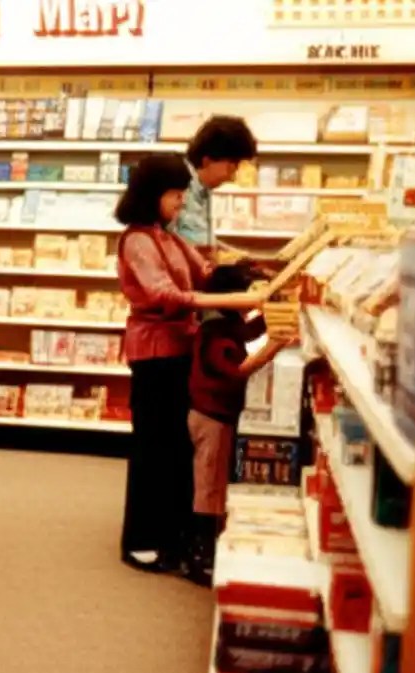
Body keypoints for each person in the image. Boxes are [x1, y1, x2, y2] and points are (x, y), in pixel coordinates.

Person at [114, 154, 265, 573]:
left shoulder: (167, 237)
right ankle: (141, 540)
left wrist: (256, 275)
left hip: (182, 348)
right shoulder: (137, 240)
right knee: (153, 446)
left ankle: (171, 536)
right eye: (175, 193)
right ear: (153, 194)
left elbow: (205, 273)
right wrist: (233, 301)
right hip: (155, 352)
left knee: (177, 447)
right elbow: (167, 296)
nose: (182, 201)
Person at [185, 265, 292, 586]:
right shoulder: (216, 333)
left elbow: (249, 333)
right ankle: (200, 555)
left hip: (214, 415)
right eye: (250, 294)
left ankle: (206, 548)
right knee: (209, 487)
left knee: (212, 482)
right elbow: (236, 371)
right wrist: (275, 345)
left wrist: (279, 311)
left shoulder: (226, 324)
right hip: (211, 418)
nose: (254, 300)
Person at [173, 116, 259, 248]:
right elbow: (188, 244)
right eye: (231, 168)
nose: (232, 178)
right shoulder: (177, 185)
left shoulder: (202, 190)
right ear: (207, 160)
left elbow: (202, 239)